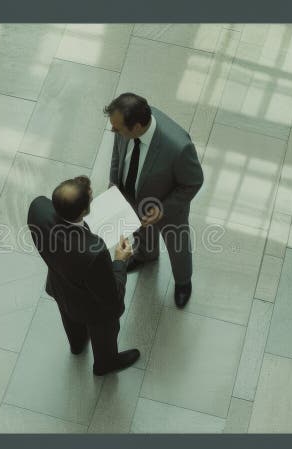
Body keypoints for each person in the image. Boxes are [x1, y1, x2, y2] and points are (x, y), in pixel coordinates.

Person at [27, 175, 140, 376]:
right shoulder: (94, 253)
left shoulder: (37, 208)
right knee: (104, 330)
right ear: (83, 212)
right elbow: (112, 297)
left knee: (70, 316)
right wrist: (120, 261)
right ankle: (105, 364)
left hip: (60, 287)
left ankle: (77, 344)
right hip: (92, 308)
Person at [105, 92, 204, 308]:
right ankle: (146, 255)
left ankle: (183, 282)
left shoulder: (179, 147)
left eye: (118, 128)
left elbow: (193, 182)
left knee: (177, 246)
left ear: (138, 126)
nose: (113, 131)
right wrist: (114, 185)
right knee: (141, 233)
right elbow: (116, 156)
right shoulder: (121, 124)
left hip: (167, 208)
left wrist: (163, 209)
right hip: (132, 197)